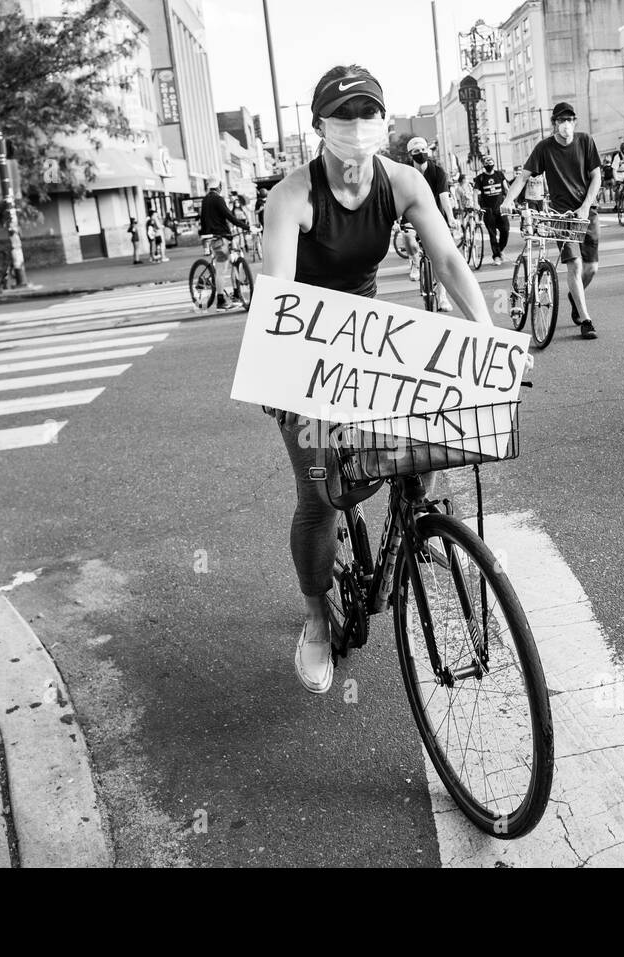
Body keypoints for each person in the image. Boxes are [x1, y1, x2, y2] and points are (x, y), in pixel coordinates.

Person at [260, 65, 496, 694]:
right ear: (319, 129)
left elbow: (447, 257)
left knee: (422, 455)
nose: (357, 129)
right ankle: (315, 620)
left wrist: (489, 334)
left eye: (369, 115)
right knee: (319, 497)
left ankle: (409, 530)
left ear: (384, 124)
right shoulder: (291, 198)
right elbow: (277, 288)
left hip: (370, 340)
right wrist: (277, 373)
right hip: (307, 349)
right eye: (344, 117)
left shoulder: (404, 181)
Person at [502, 101, 603, 339]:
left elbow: (596, 176)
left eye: (569, 120)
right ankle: (586, 320)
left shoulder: (585, 141)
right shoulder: (544, 148)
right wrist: (508, 200)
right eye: (561, 121)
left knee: (592, 268)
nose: (566, 125)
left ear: (574, 122)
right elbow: (523, 177)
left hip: (587, 211)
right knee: (575, 266)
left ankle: (574, 296)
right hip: (561, 214)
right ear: (554, 124)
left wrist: (586, 206)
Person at [403, 136, 457, 311]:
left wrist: (450, 218)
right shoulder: (406, 173)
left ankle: (442, 298)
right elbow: (398, 197)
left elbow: (444, 198)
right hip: (410, 214)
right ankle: (414, 262)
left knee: (437, 258)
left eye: (423, 150)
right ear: (410, 154)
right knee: (408, 238)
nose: (421, 154)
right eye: (416, 151)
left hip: (433, 216)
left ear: (427, 150)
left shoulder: (438, 172)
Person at [197, 177, 251, 310]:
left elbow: (203, 220)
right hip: (220, 237)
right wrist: (247, 227)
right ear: (219, 186)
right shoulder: (218, 199)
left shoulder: (205, 200)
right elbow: (230, 217)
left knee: (233, 262)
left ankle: (236, 293)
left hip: (216, 237)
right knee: (221, 270)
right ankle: (220, 301)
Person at [473, 155, 511, 263]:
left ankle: (500, 250)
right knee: (492, 233)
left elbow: (506, 189)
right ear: (483, 165)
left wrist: (510, 201)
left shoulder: (499, 174)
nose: (489, 164)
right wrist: (476, 204)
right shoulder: (480, 178)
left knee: (505, 230)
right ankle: (496, 256)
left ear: (494, 163)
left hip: (500, 208)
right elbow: (475, 192)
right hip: (488, 209)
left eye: (490, 162)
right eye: (486, 163)